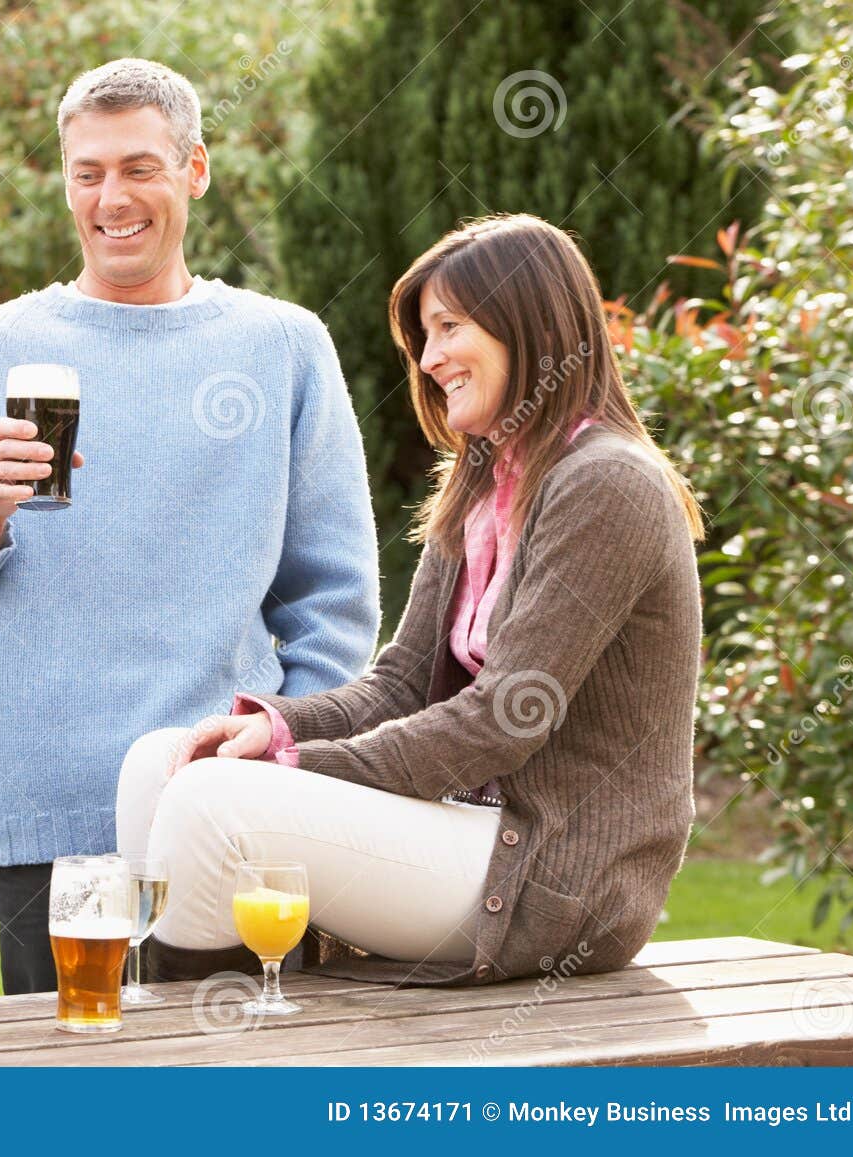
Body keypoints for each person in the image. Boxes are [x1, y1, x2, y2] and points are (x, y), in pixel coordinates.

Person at [116, 213, 706, 987]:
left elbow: (503, 717)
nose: (430, 360)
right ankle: (204, 1032)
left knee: (212, 806)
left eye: (450, 327)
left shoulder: (606, 485)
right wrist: (276, 724)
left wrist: (296, 765)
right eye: (424, 337)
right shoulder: (484, 485)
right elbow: (398, 685)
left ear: (527, 323)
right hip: (468, 830)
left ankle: (184, 1062)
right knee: (159, 763)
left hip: (552, 875)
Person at [0, 59, 380, 994]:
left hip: (225, 809)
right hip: (54, 822)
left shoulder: (282, 346)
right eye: (89, 173)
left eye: (139, 167)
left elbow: (338, 596)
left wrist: (283, 753)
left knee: (238, 1097)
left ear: (194, 169)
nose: (111, 197)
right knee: (72, 1099)